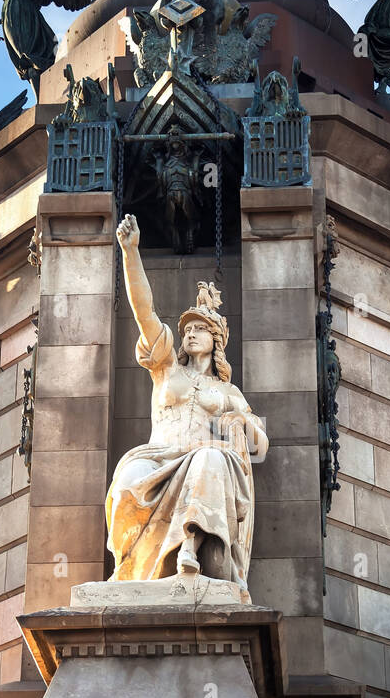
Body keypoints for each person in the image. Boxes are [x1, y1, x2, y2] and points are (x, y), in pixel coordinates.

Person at [105, 214, 268, 595]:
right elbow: (144, 314)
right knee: (127, 481)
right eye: (188, 330)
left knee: (209, 461)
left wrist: (240, 426)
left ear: (216, 341)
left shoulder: (229, 392)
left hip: (202, 457)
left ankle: (189, 552)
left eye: (199, 329)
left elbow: (260, 445)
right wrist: (130, 253)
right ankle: (130, 568)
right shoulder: (166, 369)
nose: (191, 333)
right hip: (157, 456)